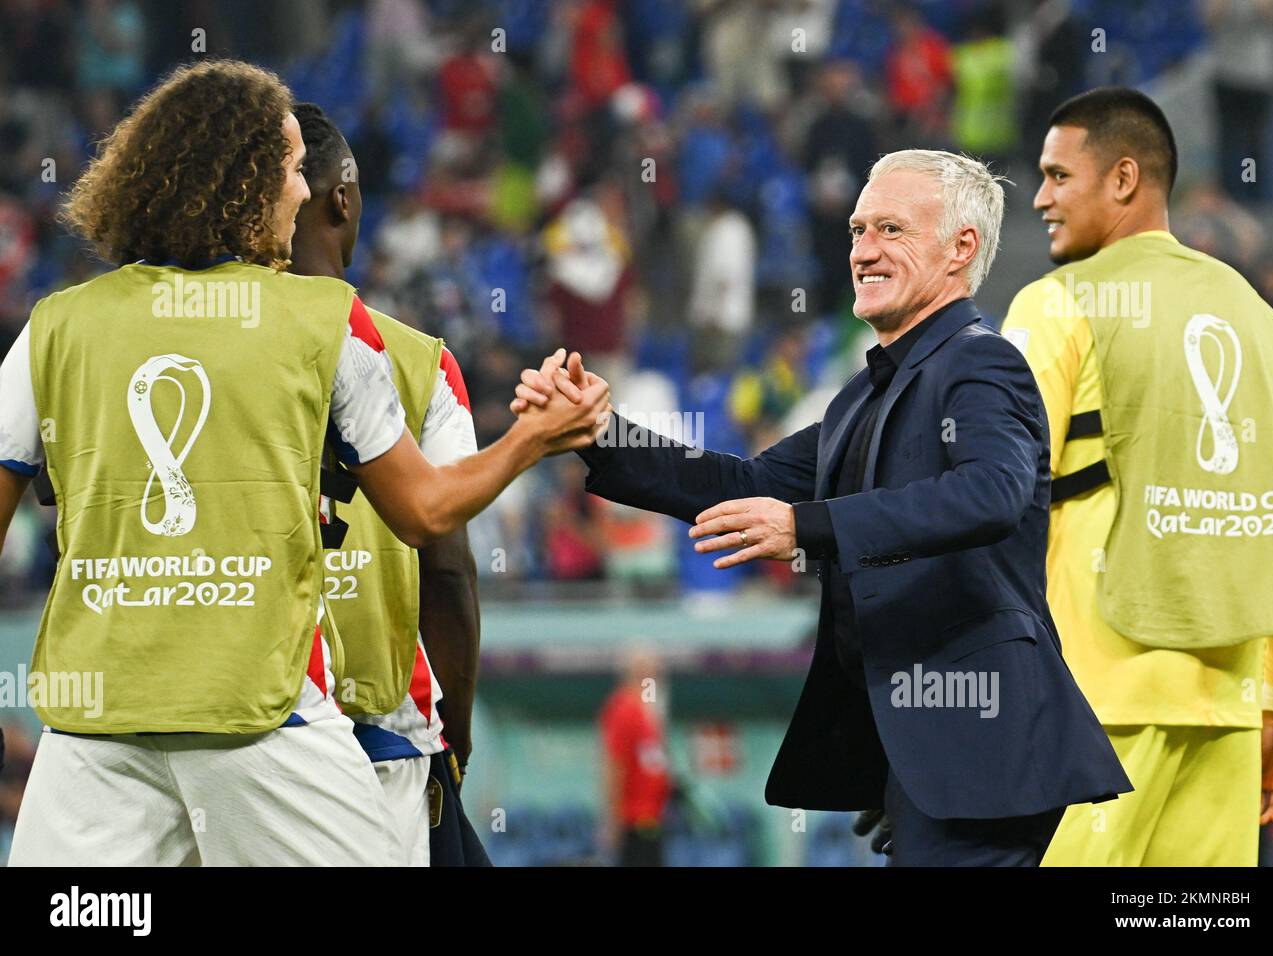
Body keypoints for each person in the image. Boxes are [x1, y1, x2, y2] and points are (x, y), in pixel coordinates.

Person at [0, 59, 607, 866]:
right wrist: (534, 437)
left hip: (93, 730)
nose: (300, 191)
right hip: (262, 719)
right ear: (242, 184)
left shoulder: (54, 327)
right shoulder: (326, 321)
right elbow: (426, 513)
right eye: (289, 171)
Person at [515, 149, 1131, 866]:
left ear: (961, 248)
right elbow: (743, 482)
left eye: (890, 230)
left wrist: (808, 526)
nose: (863, 251)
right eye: (856, 230)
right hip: (934, 754)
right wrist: (600, 432)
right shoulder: (864, 395)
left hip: (983, 739)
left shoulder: (981, 361)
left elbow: (991, 492)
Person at [1002, 86, 1273, 866]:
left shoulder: (1056, 304)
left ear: (1124, 179)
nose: (1040, 198)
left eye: (1059, 176)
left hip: (1091, 711)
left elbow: (998, 500)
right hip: (1231, 714)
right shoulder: (1268, 328)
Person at [288, 102, 488, 866]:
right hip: (382, 739)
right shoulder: (418, 361)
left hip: (231, 730)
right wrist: (455, 726)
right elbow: (448, 568)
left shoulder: (195, 345)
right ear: (344, 199)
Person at [598, 648, 671, 866]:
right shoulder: (624, 709)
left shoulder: (646, 711)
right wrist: (612, 821)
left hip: (651, 818)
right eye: (650, 672)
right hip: (633, 821)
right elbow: (614, 766)